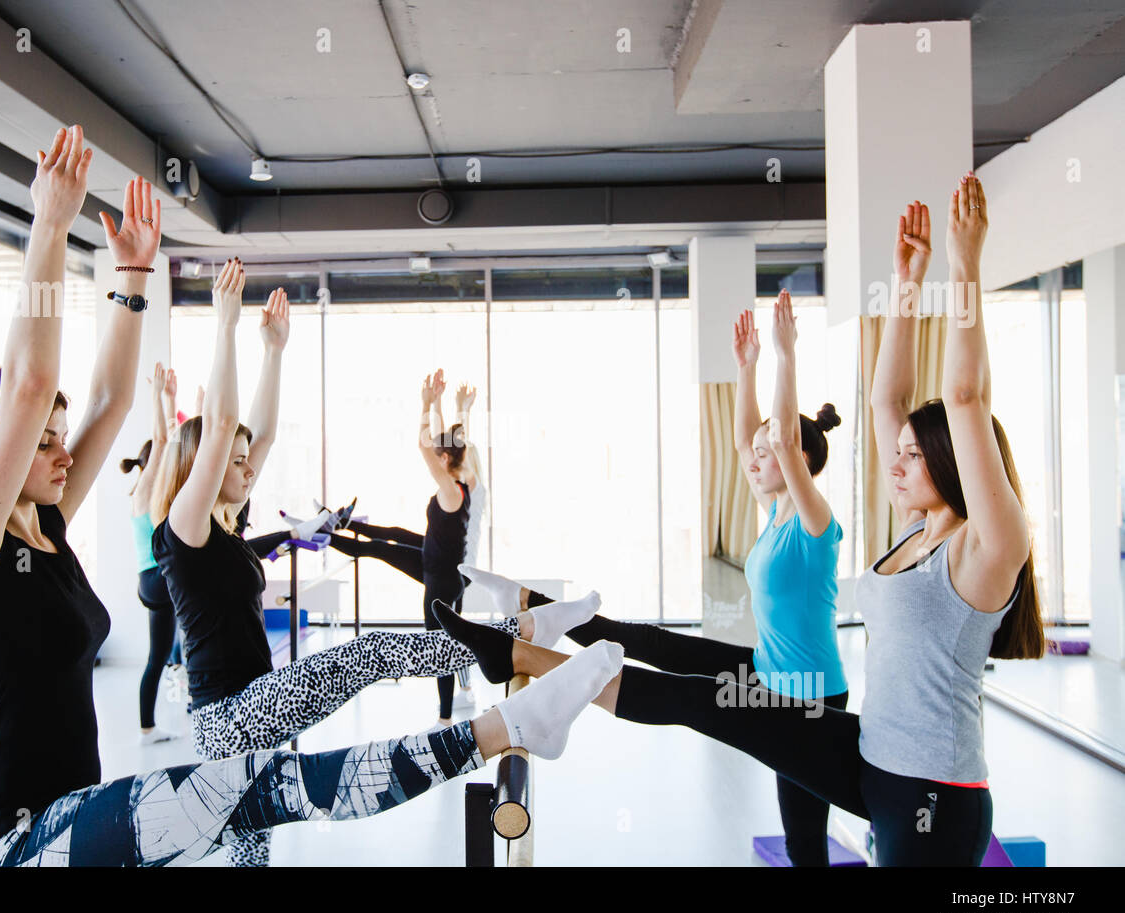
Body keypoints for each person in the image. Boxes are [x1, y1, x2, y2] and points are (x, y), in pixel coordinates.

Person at [0, 125, 619, 868]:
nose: (65, 452)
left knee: (259, 793)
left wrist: (131, 282)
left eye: (59, 437)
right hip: (11, 844)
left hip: (74, 814)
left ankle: (510, 705)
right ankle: (508, 724)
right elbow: (28, 390)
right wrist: (51, 227)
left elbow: (111, 399)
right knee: (260, 786)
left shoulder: (48, 530)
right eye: (42, 441)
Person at [437, 175, 1044, 867]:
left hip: (932, 792)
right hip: (868, 751)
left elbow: (964, 396)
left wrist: (964, 265)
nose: (895, 463)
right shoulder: (915, 534)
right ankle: (515, 656)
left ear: (955, 460)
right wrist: (907, 287)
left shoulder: (987, 547)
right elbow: (887, 398)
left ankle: (521, 652)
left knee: (709, 706)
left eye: (913, 454)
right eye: (896, 451)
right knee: (702, 701)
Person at [151, 259, 603, 867]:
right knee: (369, 655)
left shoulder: (226, 527)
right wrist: (226, 326)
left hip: (247, 708)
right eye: (232, 462)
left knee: (248, 845)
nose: (246, 467)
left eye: (242, 459)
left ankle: (518, 637)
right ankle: (520, 631)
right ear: (200, 470)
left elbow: (258, 436)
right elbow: (222, 433)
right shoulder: (183, 529)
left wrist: (276, 351)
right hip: (230, 718)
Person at [313, 370, 483, 723]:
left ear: (445, 460)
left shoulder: (452, 490)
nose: (433, 455)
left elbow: (425, 445)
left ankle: (445, 719)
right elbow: (449, 441)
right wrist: (442, 405)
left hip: (441, 580)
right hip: (436, 563)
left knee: (439, 650)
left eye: (439, 454)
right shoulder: (460, 480)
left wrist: (425, 402)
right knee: (384, 540)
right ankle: (333, 527)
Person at [121, 361, 181, 742]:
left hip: (150, 580)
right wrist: (159, 396)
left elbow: (170, 444)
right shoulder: (145, 489)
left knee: (158, 655)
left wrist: (171, 398)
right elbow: (163, 442)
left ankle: (148, 728)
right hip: (159, 578)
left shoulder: (147, 495)